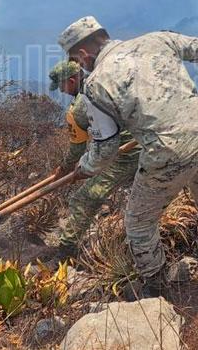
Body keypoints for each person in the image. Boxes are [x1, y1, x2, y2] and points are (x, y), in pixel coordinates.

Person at [58, 16, 198, 298]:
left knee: (138, 223)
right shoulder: (157, 39)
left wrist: (85, 167)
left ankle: (157, 289)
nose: (81, 66)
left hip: (169, 154)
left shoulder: (96, 84)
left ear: (83, 54)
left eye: (77, 61)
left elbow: (105, 148)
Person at [47, 60, 141, 261]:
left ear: (72, 81)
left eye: (62, 86)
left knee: (83, 199)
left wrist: (65, 169)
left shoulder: (79, 107)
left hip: (128, 154)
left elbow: (77, 148)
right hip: (143, 142)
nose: (62, 91)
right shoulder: (104, 82)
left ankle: (65, 252)